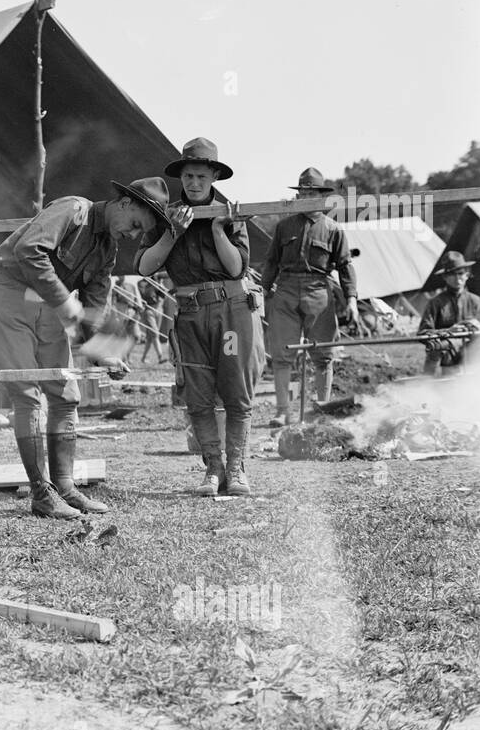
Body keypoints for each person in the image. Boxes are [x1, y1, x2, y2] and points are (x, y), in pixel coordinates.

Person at [0, 176, 165, 519]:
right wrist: (65, 301)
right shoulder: (73, 209)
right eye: (136, 225)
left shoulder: (107, 251)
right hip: (8, 294)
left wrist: (104, 352)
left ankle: (65, 488)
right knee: (27, 395)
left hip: (51, 308)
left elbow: (93, 310)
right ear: (125, 204)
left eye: (141, 233)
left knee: (66, 396)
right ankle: (42, 494)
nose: (133, 235)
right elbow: (28, 251)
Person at [135, 138, 264, 496]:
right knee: (199, 397)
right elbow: (145, 266)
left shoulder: (229, 213)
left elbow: (237, 267)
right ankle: (213, 469)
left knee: (236, 394)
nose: (193, 183)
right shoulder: (167, 216)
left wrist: (220, 228)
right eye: (188, 176)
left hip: (231, 310)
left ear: (214, 178)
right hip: (190, 314)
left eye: (201, 177)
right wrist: (173, 232)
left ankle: (236, 469)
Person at [260, 167, 359, 423]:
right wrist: (262, 292)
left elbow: (346, 266)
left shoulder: (334, 229)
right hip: (286, 290)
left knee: (323, 355)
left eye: (312, 192)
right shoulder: (284, 227)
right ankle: (283, 412)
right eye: (302, 193)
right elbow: (271, 262)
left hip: (319, 292)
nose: (306, 197)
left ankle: (322, 411)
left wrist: (351, 300)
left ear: (322, 196)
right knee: (282, 355)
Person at [419, 251, 480, 375]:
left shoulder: (475, 301)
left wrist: (477, 328)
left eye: (460, 273)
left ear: (467, 275)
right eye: (452, 274)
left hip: (472, 362)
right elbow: (423, 333)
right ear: (445, 277)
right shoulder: (435, 303)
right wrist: (449, 331)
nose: (457, 278)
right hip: (445, 362)